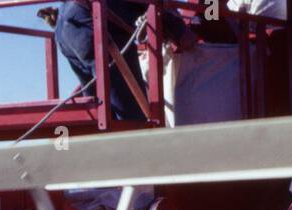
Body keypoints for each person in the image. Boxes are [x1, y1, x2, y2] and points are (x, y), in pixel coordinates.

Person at [51, 0, 194, 121]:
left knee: (97, 109)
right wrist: (180, 30)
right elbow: (153, 7)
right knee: (132, 115)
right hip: (92, 23)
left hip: (65, 26)